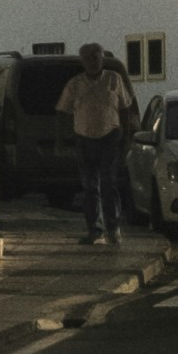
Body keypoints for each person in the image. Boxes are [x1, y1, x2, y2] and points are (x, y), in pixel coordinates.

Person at [59, 43, 137, 242]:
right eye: (88, 58)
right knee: (90, 186)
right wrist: (64, 139)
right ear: (83, 61)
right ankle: (95, 229)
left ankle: (113, 228)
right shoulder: (75, 84)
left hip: (110, 137)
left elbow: (125, 108)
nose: (92, 62)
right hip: (84, 138)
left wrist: (126, 137)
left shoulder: (114, 79)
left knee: (109, 183)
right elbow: (63, 111)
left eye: (96, 57)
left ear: (102, 58)